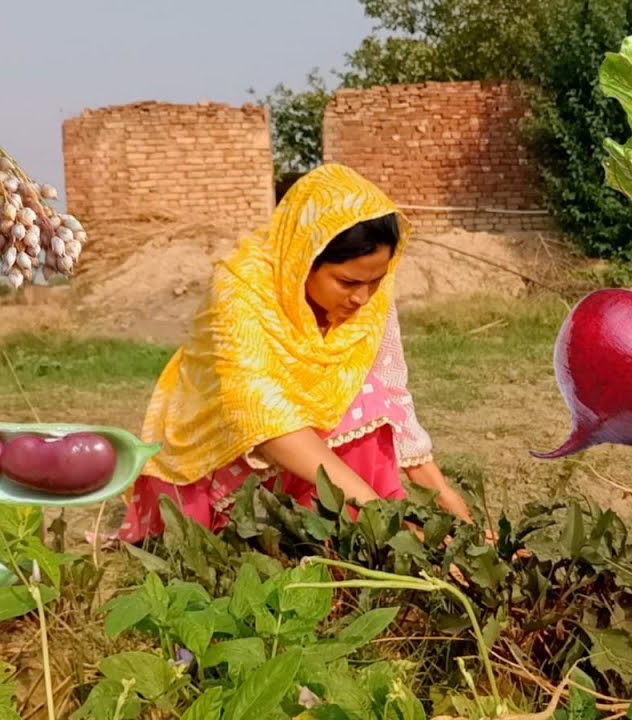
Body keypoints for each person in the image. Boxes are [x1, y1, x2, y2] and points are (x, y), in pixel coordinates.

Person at [117, 163, 474, 543]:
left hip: (315, 459)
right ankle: (285, 526)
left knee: (367, 392)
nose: (363, 298)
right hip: (225, 456)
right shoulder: (241, 290)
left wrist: (443, 494)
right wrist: (378, 512)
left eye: (376, 281)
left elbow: (392, 391)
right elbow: (262, 419)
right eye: (347, 282)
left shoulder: (369, 297)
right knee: (357, 401)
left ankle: (332, 526)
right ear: (305, 259)